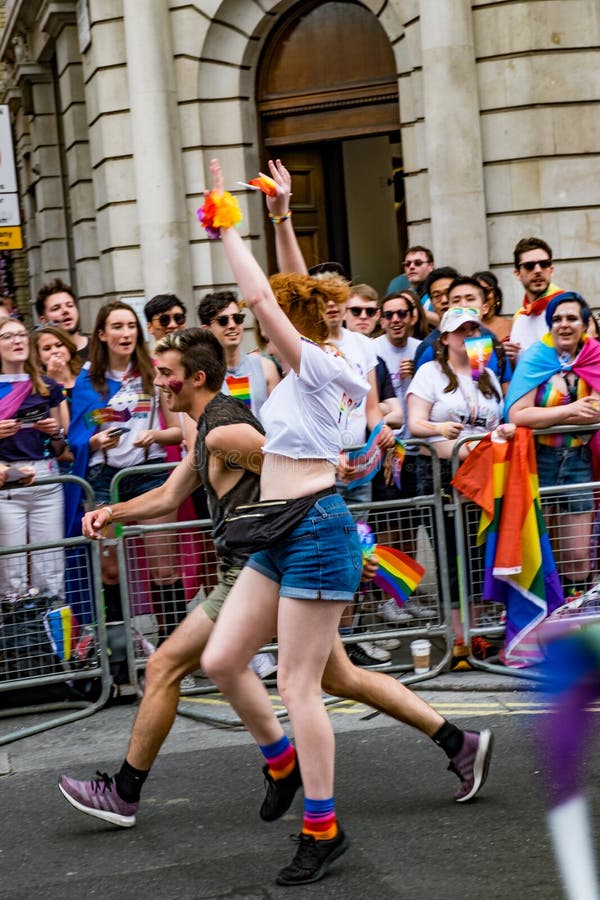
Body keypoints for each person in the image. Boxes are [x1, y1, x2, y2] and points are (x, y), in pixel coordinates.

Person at [57, 329, 493, 858]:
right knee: (339, 677)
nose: (158, 380)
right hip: (269, 564)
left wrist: (330, 469)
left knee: (168, 665)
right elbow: (173, 493)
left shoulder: (227, 429)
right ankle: (458, 742)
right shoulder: (210, 428)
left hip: (256, 568)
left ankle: (128, 792)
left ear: (195, 378)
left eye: (167, 371)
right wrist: (112, 512)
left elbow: (289, 461)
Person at [66, 301, 184, 630]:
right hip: (104, 482)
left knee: (164, 568)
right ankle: (119, 657)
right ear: (101, 335)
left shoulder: (155, 372)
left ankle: (174, 651)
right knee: (111, 570)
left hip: (149, 476)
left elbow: (179, 432)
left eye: (131, 326)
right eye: (117, 327)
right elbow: (75, 439)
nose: (126, 333)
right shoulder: (88, 380)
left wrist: (154, 435)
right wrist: (95, 442)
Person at [407, 307, 512, 647]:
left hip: (485, 474)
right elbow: (415, 423)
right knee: (451, 553)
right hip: (442, 474)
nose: (468, 335)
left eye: (473, 329)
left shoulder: (488, 376)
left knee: (479, 550)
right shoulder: (430, 373)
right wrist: (439, 427)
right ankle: (458, 637)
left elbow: (497, 423)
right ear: (446, 338)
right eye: (461, 330)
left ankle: (477, 631)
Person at [506, 292, 600, 597]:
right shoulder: (536, 357)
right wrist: (571, 411)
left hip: (579, 459)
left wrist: (549, 416)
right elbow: (518, 413)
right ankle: (547, 623)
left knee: (577, 554)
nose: (564, 325)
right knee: (542, 550)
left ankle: (575, 623)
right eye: (557, 319)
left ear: (585, 324)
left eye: (572, 318)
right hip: (539, 460)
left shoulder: (595, 356)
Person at [0, 316, 70, 600]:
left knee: (51, 570)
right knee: (10, 571)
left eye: (21, 335)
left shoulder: (46, 386)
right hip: (7, 483)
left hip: (47, 481)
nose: (17, 340)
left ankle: (54, 643)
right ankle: (17, 642)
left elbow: (62, 446)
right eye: (7, 336)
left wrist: (55, 431)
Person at [414, 277, 511, 392]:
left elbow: (506, 391)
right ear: (449, 308)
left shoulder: (494, 344)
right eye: (456, 301)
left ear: (484, 308)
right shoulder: (430, 348)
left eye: (470, 299)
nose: (463, 305)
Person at [197, 290, 280, 421]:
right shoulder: (200, 377)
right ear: (207, 330)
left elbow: (279, 420)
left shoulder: (266, 368)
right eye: (223, 321)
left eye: (237, 319)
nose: (232, 325)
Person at [507, 237, 562, 363]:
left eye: (543, 264)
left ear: (551, 270)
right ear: (517, 274)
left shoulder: (568, 310)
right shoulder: (519, 318)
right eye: (529, 266)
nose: (538, 270)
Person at [35, 278, 89, 361]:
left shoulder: (99, 348)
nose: (65, 311)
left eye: (70, 305)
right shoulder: (40, 359)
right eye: (56, 308)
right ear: (43, 320)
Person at [386, 246, 438, 326]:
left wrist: (413, 307)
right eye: (407, 264)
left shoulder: (438, 290)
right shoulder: (408, 291)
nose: (411, 267)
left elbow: (447, 322)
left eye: (418, 263)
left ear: (430, 266)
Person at [31, 324, 83, 404]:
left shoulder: (86, 376)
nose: (55, 351)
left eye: (59, 345)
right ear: (38, 357)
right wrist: (54, 382)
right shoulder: (37, 389)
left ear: (68, 347)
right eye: (47, 349)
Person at [472, 270, 512, 342]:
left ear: (496, 296)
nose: (482, 296)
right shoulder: (466, 329)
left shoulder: (512, 325)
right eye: (477, 292)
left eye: (485, 291)